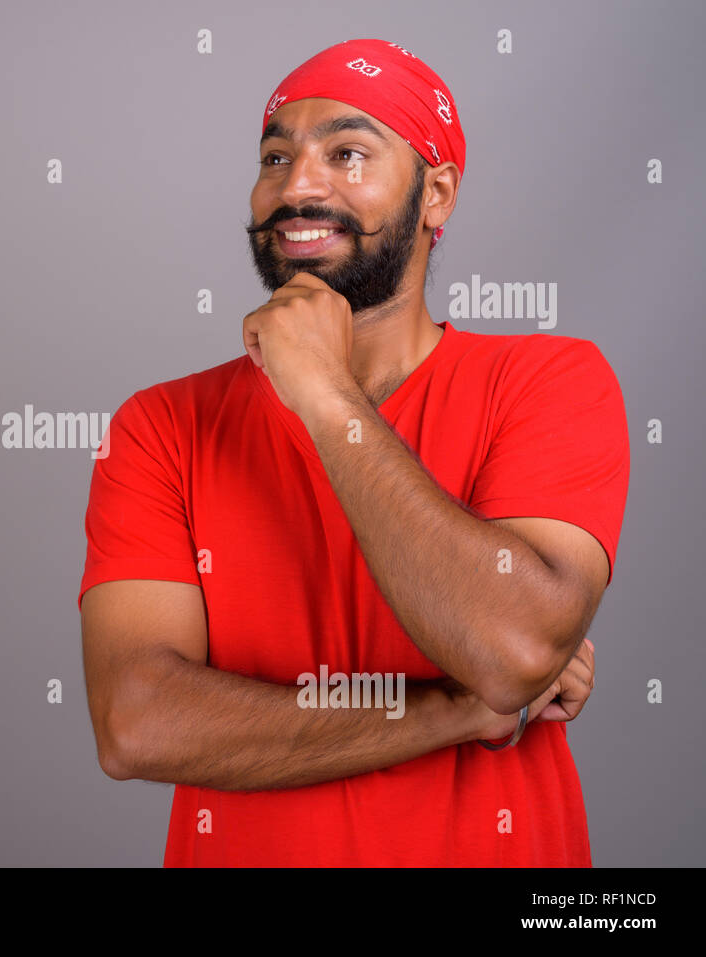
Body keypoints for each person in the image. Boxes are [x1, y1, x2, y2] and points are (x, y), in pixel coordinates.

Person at [77, 38, 630, 866]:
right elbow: (138, 722)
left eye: (347, 153)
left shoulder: (549, 381)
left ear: (436, 193)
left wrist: (326, 396)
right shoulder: (161, 425)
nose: (298, 186)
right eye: (276, 156)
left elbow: (512, 648)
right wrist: (458, 710)